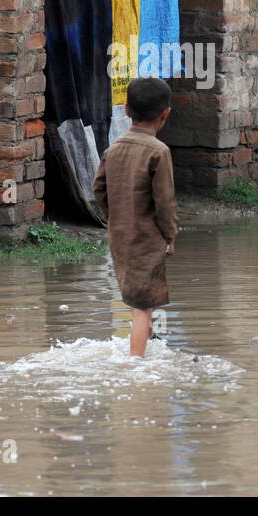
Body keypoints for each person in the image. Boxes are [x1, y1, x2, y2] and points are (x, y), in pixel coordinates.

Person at [92, 77, 179, 357]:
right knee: (142, 307)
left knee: (139, 297)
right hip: (147, 238)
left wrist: (116, 217)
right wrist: (170, 235)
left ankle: (146, 343)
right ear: (166, 114)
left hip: (120, 237)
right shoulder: (159, 151)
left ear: (127, 110)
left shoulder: (114, 148)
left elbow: (99, 189)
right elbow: (164, 202)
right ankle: (136, 364)